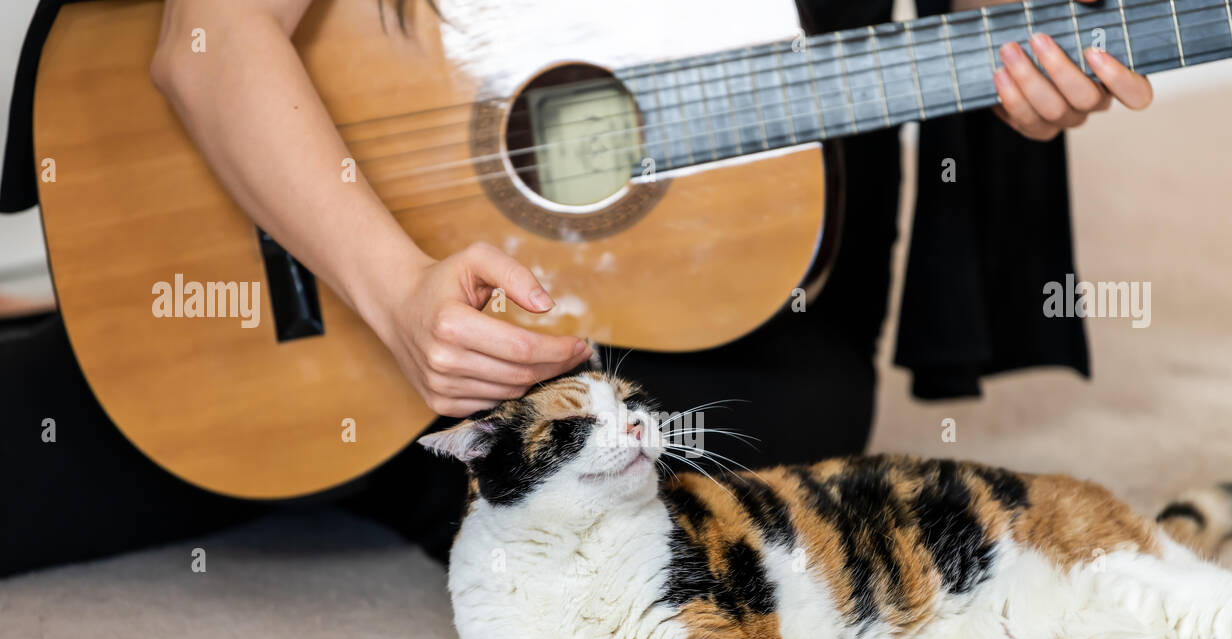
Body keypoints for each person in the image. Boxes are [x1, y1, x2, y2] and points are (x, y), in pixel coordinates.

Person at [0, 0, 1153, 577]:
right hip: (286, 218)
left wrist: (999, 62)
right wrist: (397, 292)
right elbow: (205, 35)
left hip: (644, 219)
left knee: (794, 437)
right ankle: (392, 423)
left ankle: (394, 438)